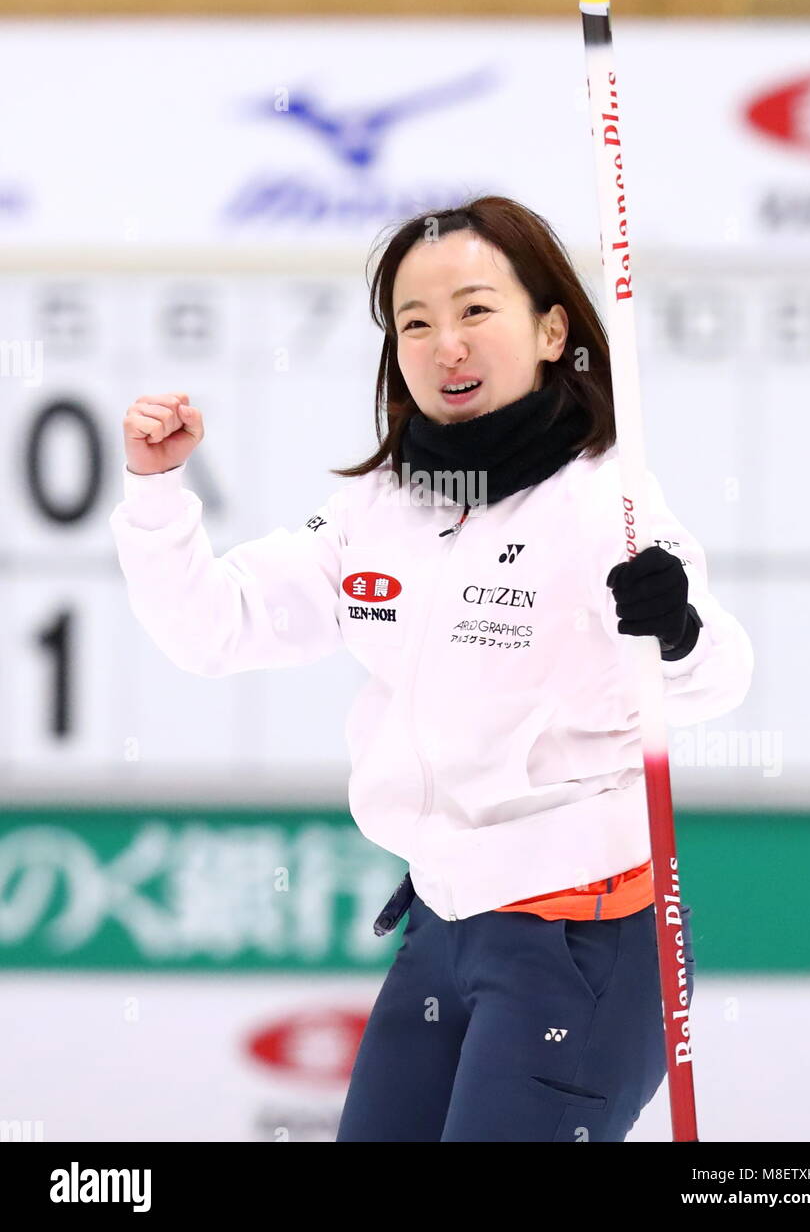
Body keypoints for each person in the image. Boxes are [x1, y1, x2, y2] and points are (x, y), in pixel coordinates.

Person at [109, 195, 753, 1142]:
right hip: (443, 931)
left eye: (475, 310)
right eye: (416, 322)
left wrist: (678, 627)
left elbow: (715, 678)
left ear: (550, 329)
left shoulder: (605, 500)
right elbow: (218, 627)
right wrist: (157, 493)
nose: (445, 343)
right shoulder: (383, 505)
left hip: (585, 942)